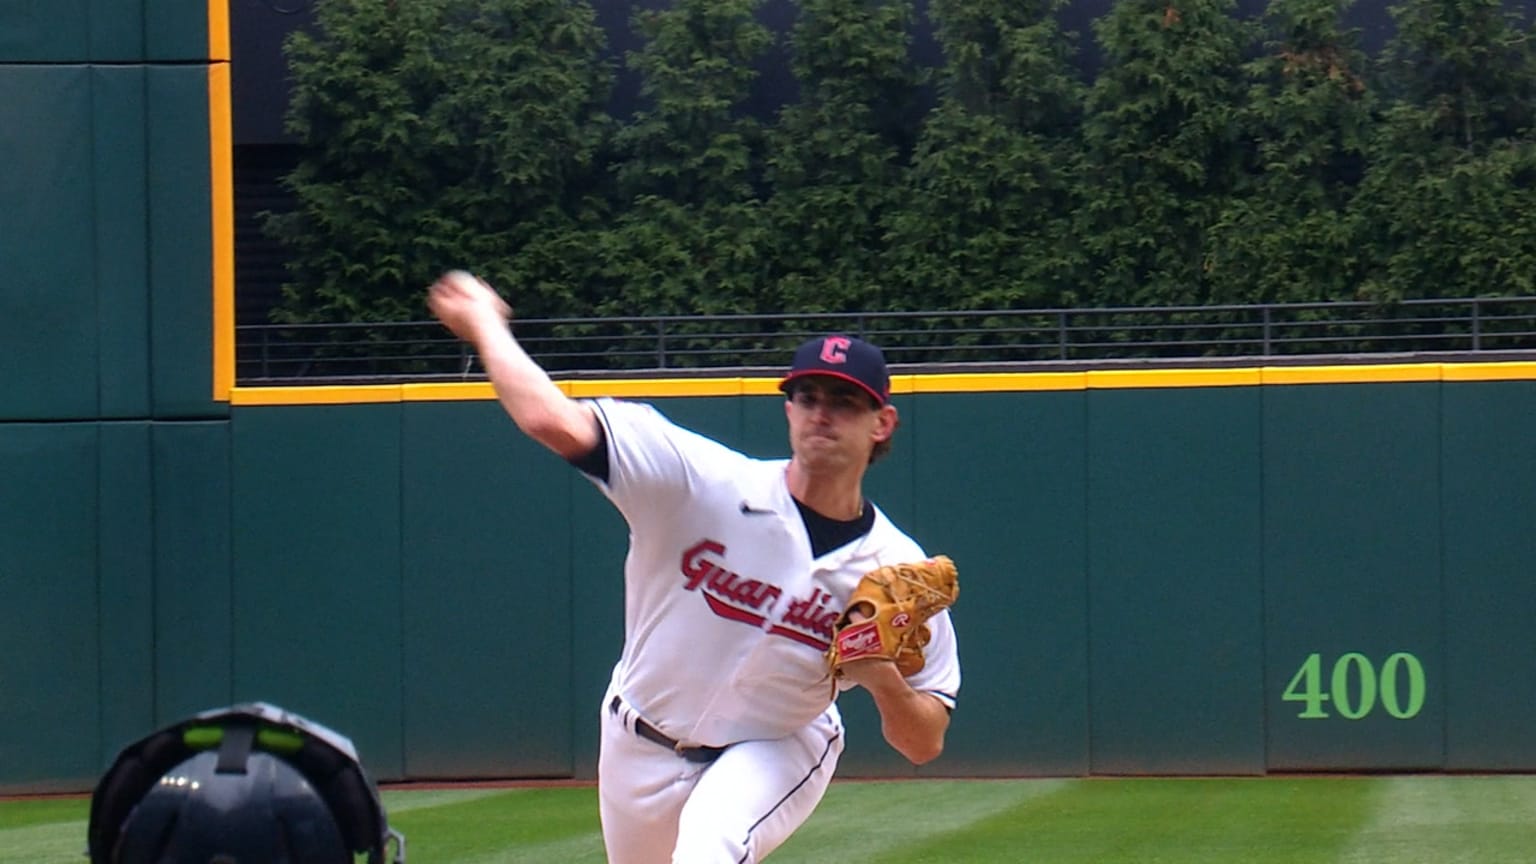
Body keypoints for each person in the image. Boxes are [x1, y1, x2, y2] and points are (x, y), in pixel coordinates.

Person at [427, 270, 961, 864]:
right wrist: (484, 324)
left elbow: (923, 742)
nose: (821, 414)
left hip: (778, 743)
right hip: (637, 736)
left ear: (881, 423)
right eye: (807, 397)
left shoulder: (897, 570)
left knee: (710, 848)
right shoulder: (700, 482)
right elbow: (550, 419)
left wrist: (880, 673)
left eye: (843, 402)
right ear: (788, 409)